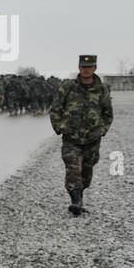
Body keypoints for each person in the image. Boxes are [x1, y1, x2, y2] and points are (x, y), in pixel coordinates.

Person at [49, 54, 113, 214]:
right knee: (73, 168)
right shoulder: (68, 87)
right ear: (79, 68)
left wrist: (102, 130)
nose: (86, 70)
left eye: (89, 67)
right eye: (84, 67)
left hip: (92, 138)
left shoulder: (102, 89)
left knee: (86, 170)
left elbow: (108, 113)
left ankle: (80, 194)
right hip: (71, 137)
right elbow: (56, 109)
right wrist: (60, 127)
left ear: (95, 68)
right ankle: (75, 201)